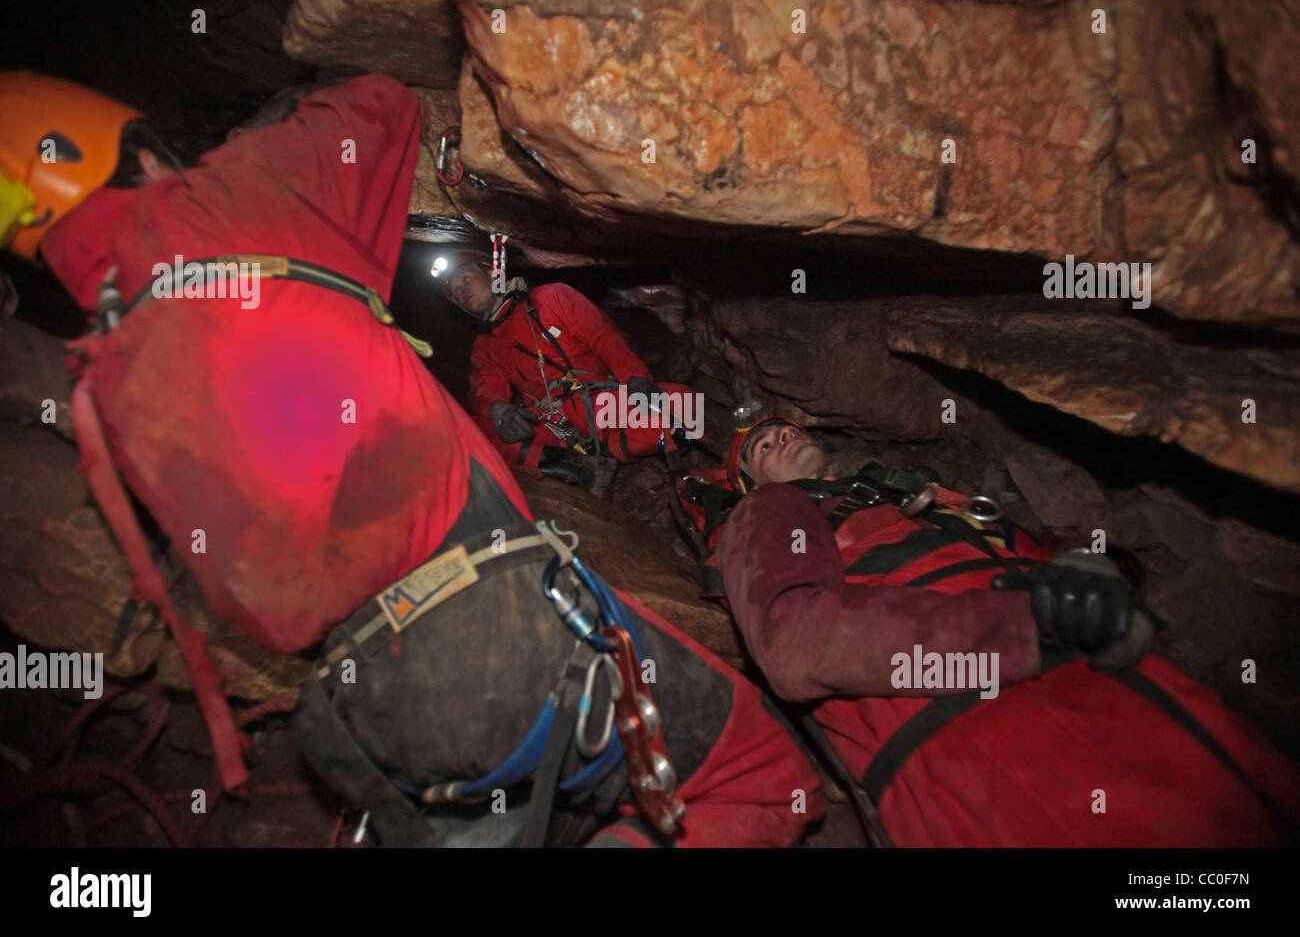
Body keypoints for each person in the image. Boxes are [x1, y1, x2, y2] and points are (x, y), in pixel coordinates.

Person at [0, 71, 824, 847]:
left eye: (471, 282)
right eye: (457, 291)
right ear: (141, 156)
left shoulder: (107, 388)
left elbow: (620, 363)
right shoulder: (474, 351)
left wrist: (629, 414)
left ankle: (698, 442)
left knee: (631, 417)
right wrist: (537, 442)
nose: (466, 295)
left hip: (376, 704)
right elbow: (382, 109)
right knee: (755, 776)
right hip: (490, 609)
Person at [711, 416, 1299, 846]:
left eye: (786, 429)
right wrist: (1029, 625)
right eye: (762, 446)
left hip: (1130, 685)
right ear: (746, 485)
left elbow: (1036, 552)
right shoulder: (768, 513)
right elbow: (797, 642)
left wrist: (1094, 573)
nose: (782, 438)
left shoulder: (912, 493)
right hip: (984, 732)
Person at [439, 250, 694, 492]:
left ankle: (604, 455)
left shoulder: (552, 297)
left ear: (492, 274)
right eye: (456, 292)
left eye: (465, 278)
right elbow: (484, 385)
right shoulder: (487, 346)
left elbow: (604, 337)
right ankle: (576, 467)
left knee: (684, 404)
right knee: (467, 431)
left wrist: (635, 378)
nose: (462, 290)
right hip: (549, 421)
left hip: (599, 405)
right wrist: (498, 409)